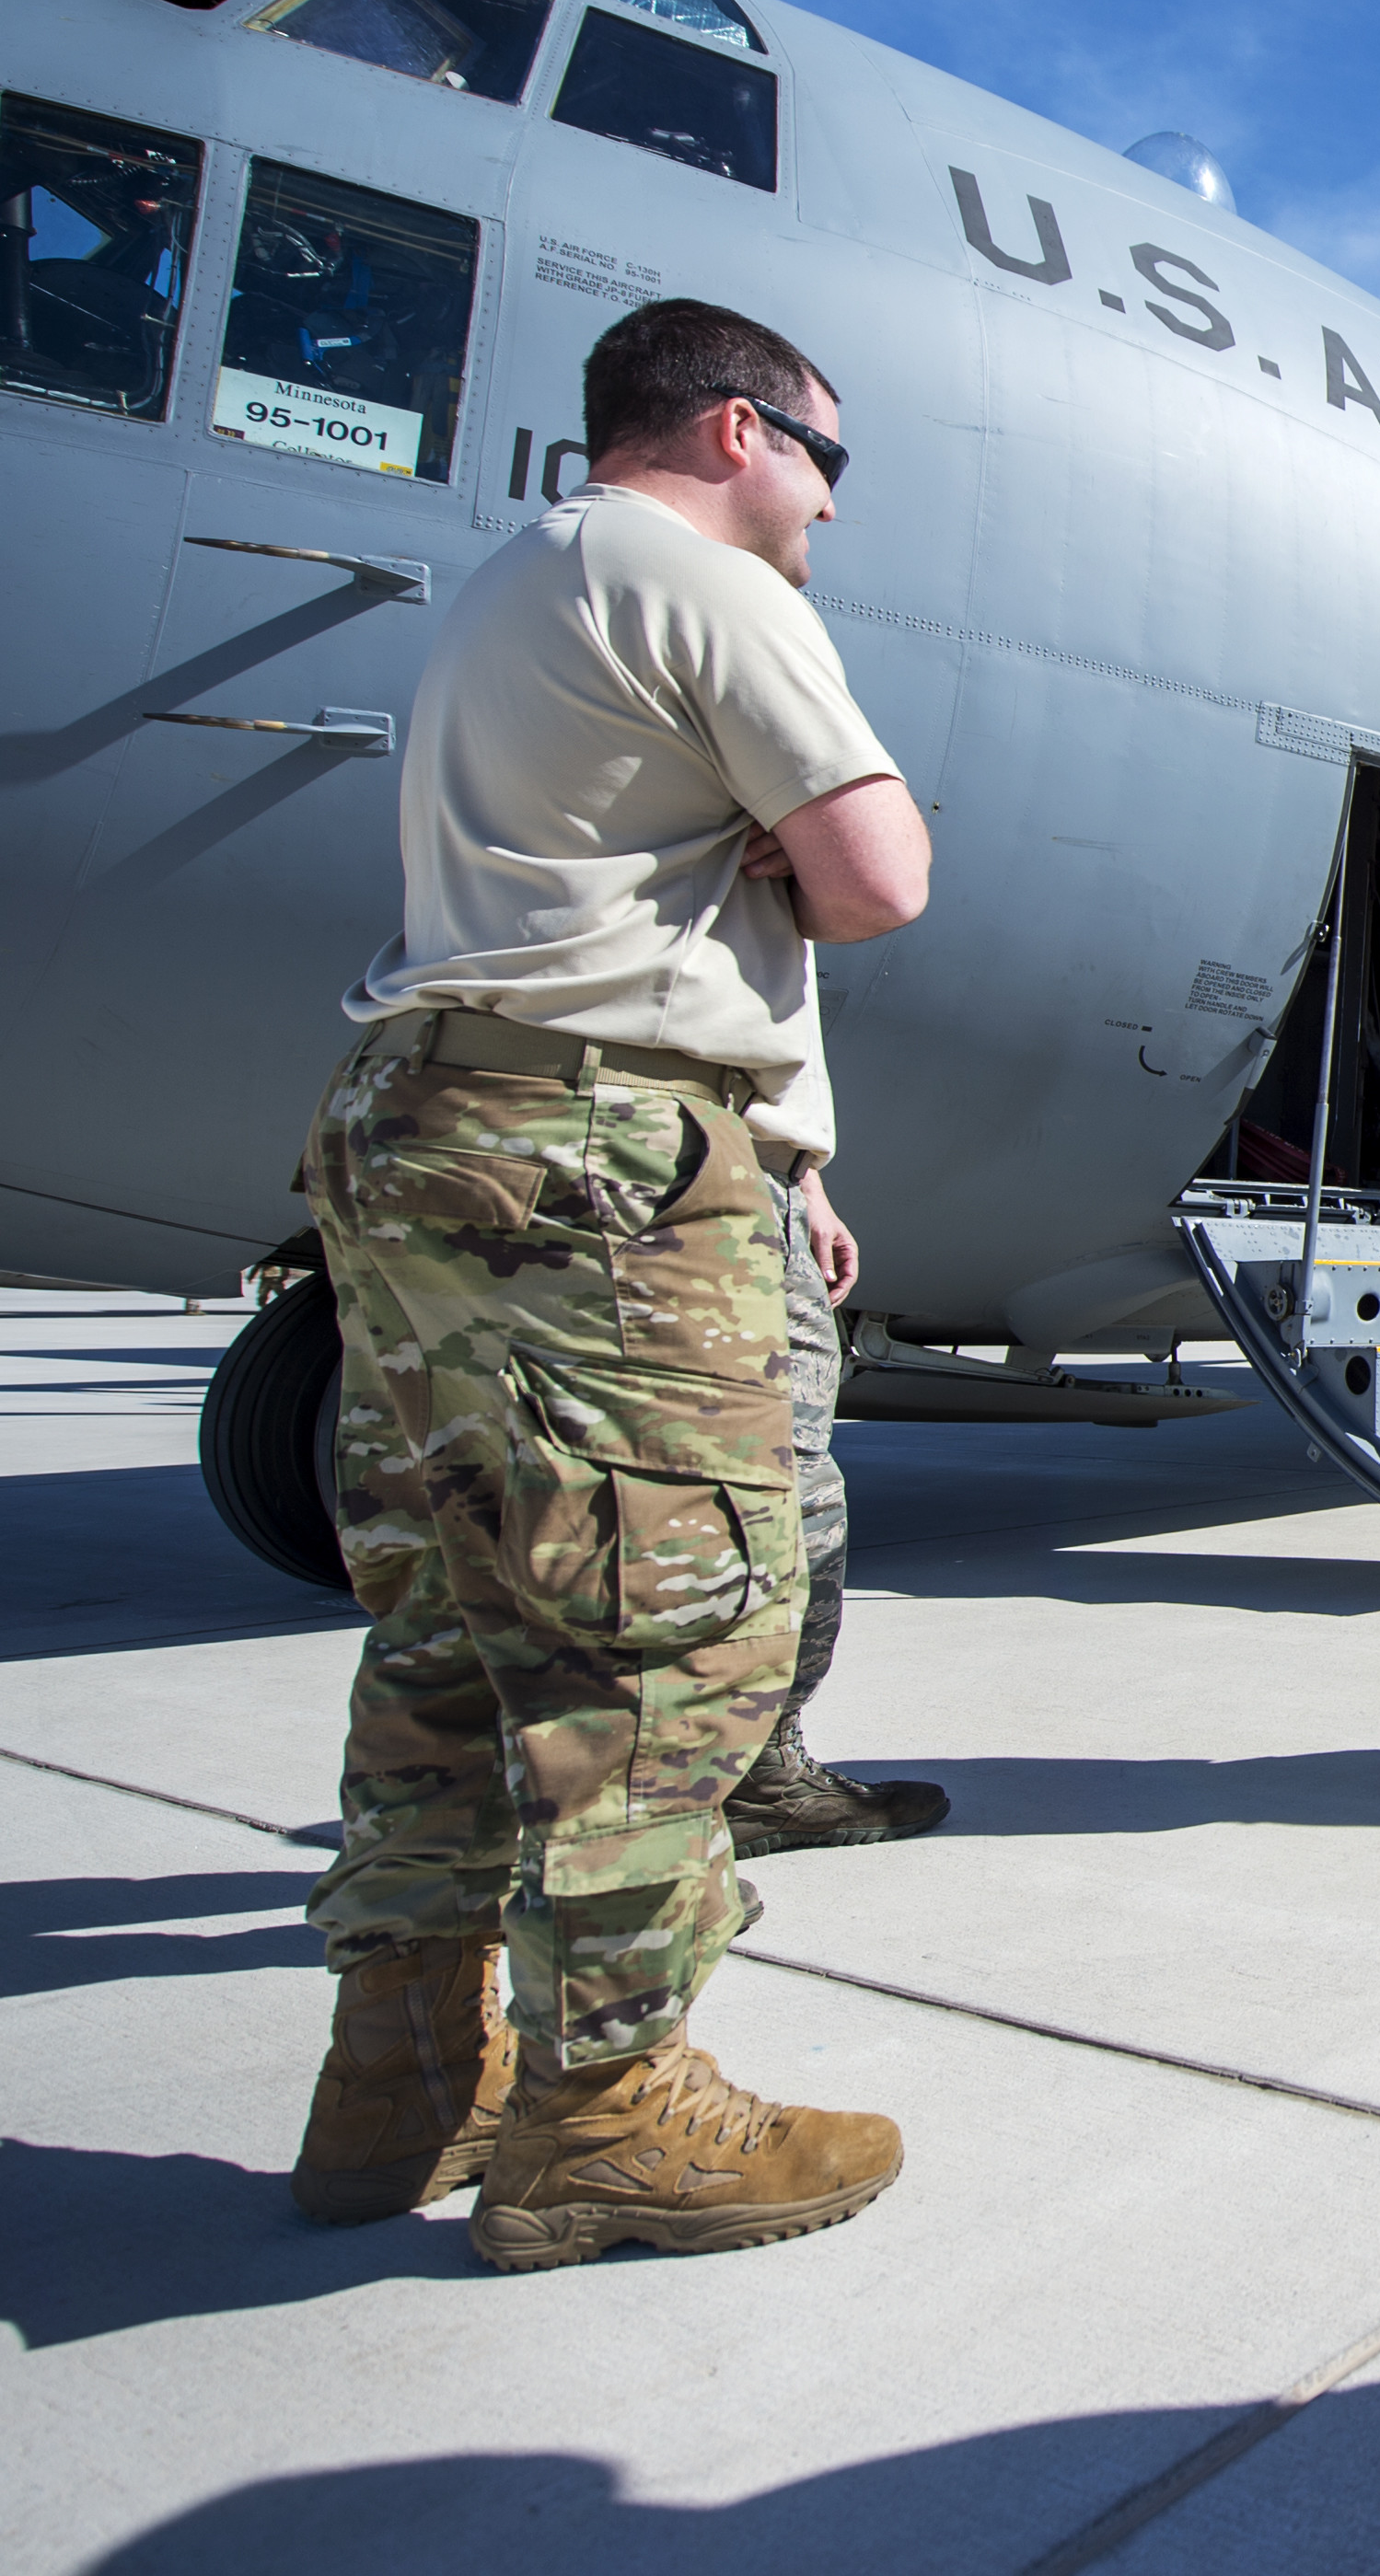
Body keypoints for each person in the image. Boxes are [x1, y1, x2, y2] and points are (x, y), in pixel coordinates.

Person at [287, 297, 929, 2269]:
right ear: (738, 429)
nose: (830, 503)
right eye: (826, 456)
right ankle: (608, 2109)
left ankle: (401, 2077)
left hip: (423, 1121)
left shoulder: (515, 584)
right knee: (677, 1633)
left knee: (451, 1624)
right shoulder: (704, 576)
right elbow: (883, 875)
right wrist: (787, 851)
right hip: (596, 1154)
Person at [719, 1039, 952, 1856]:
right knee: (773, 1492)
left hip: (748, 1166)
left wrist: (803, 1178)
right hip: (696, 1166)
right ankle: (731, 1781)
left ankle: (742, 1772)